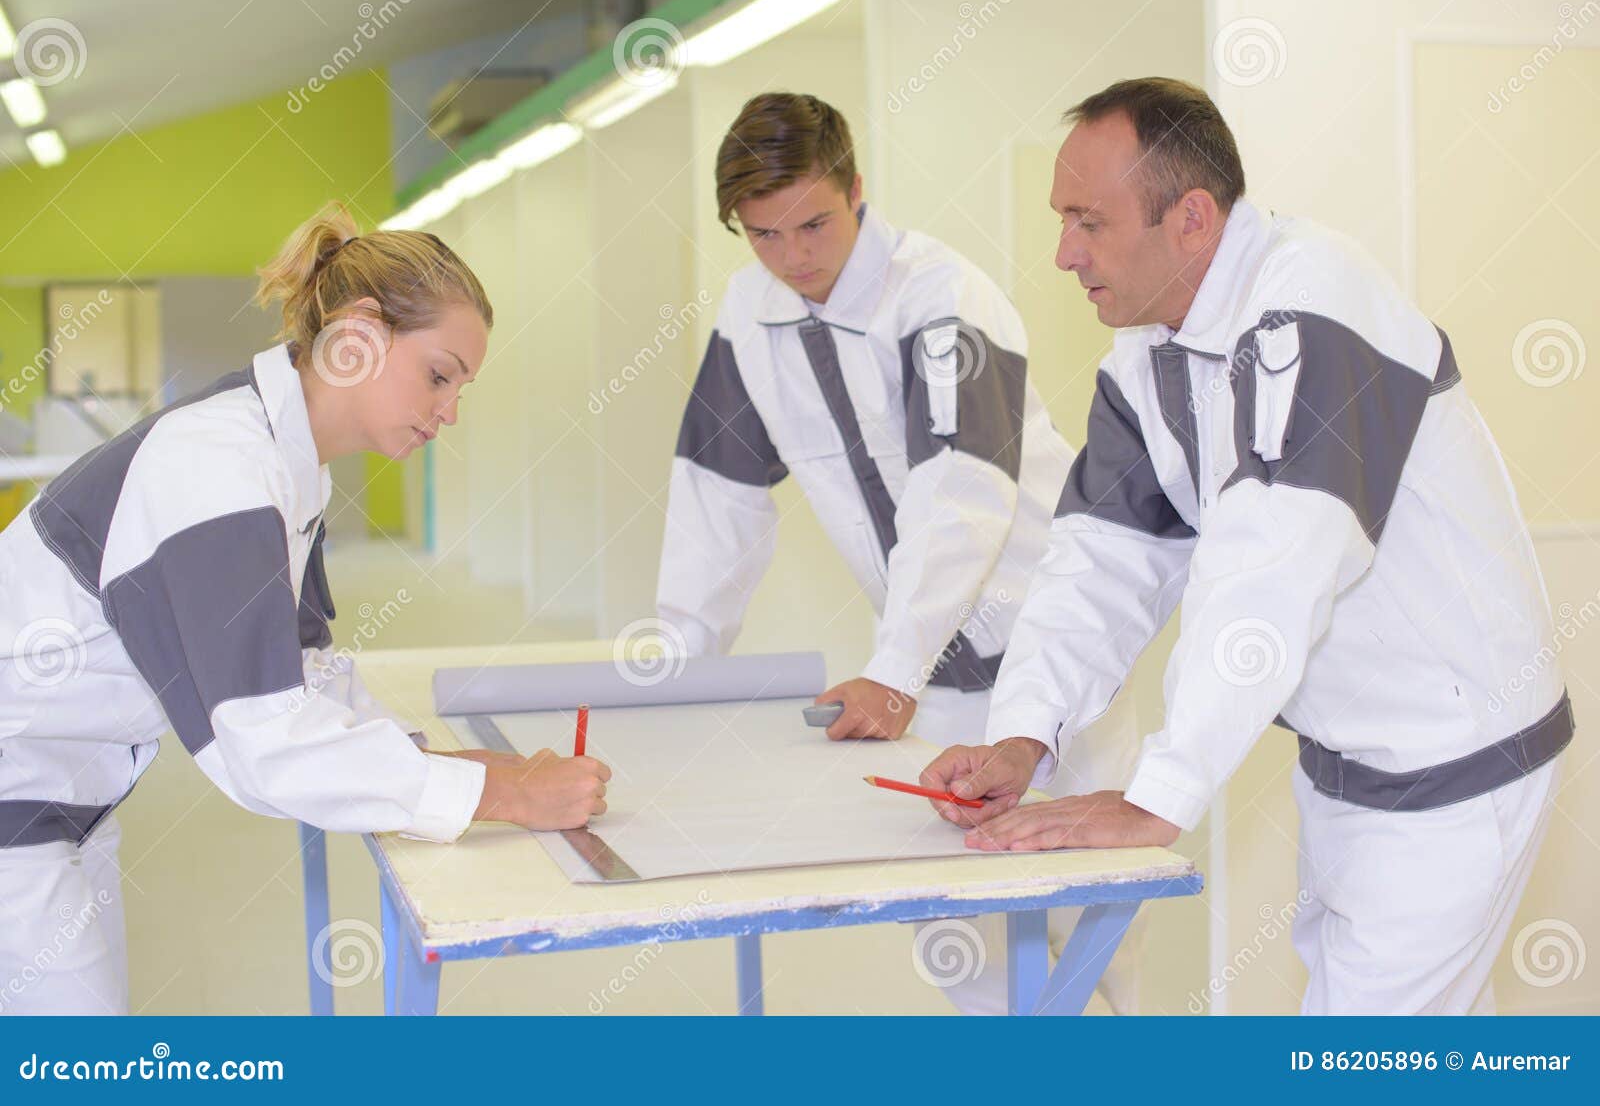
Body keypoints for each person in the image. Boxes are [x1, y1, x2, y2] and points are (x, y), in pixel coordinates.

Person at [921, 77, 1570, 1014]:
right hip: (1348, 759)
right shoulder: (1146, 355)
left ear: (1190, 219)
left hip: (1455, 763)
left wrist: (1158, 796)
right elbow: (1098, 563)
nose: (1064, 253)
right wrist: (1023, 734)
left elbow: (1272, 566)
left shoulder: (1314, 307)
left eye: (1088, 222)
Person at [0, 202, 610, 1015]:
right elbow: (260, 740)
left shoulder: (285, 468)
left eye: (462, 386)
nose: (451, 410)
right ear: (357, 336)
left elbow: (305, 675)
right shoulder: (219, 463)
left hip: (66, 798)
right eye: (439, 374)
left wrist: (479, 771)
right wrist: (498, 798)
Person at [655, 93, 1140, 1014]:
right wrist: (683, 671)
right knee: (966, 948)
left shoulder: (940, 295)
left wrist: (893, 671)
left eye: (813, 223)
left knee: (1096, 933)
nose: (793, 258)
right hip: (939, 688)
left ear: (857, 190)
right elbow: (717, 495)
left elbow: (962, 490)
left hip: (1059, 661)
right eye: (761, 235)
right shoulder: (749, 313)